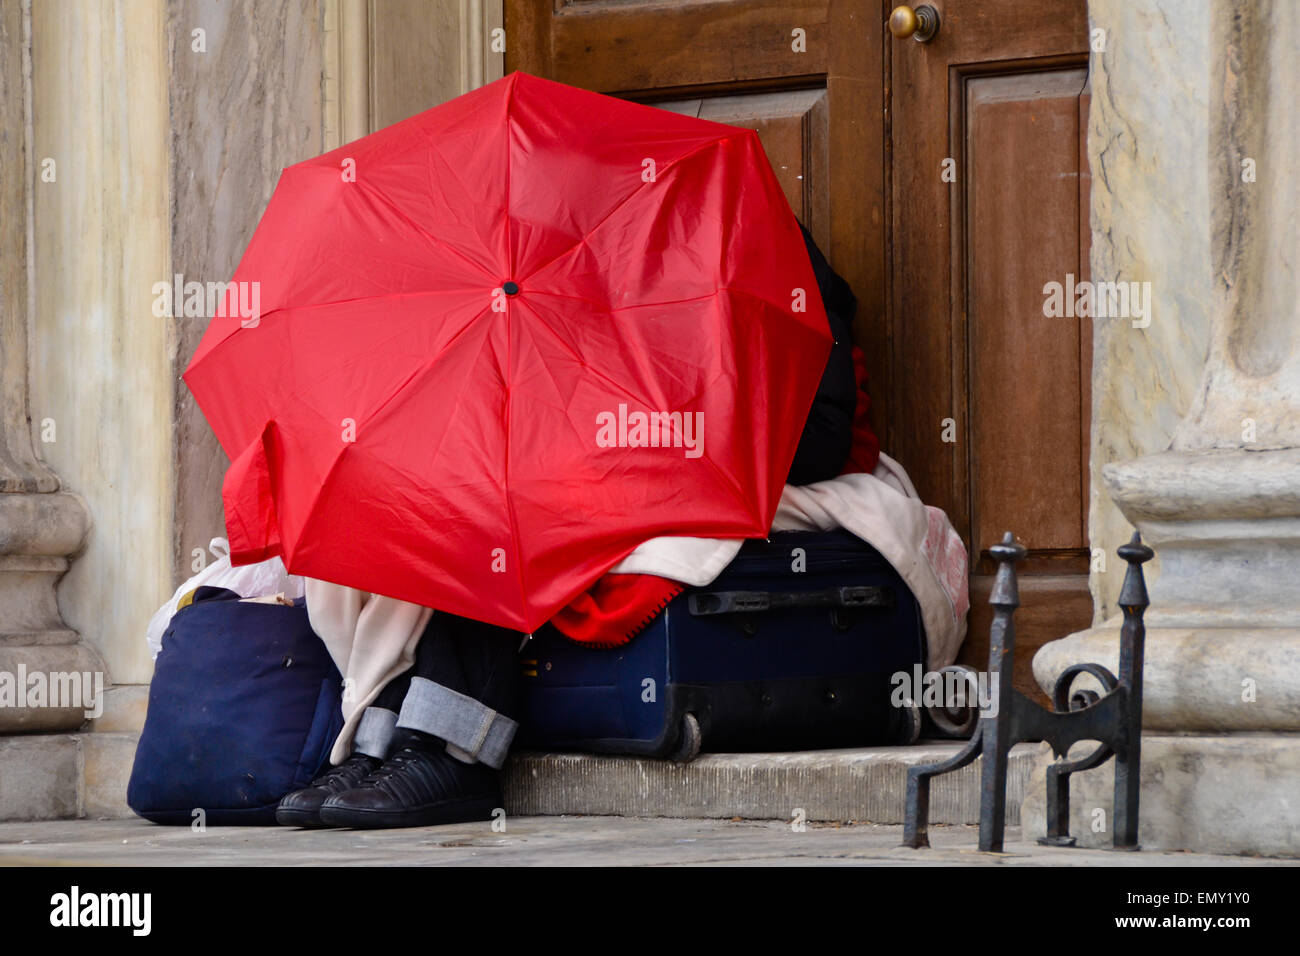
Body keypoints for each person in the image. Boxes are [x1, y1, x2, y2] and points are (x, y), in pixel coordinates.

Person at [276, 224, 861, 829]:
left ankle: (453, 752)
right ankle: (386, 738)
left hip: (735, 471)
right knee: (457, 487)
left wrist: (662, 431)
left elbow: (822, 439)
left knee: (512, 516)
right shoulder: (602, 244)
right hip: (622, 463)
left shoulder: (765, 248)